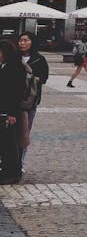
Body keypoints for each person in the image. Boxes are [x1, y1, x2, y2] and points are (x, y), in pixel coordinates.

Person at [17, 34, 48, 174]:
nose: (22, 43)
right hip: (12, 101)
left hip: (30, 102)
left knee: (24, 133)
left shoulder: (39, 59)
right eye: (20, 40)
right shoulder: (13, 57)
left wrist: (29, 79)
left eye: (25, 40)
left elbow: (43, 78)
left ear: (32, 42)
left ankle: (20, 162)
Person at [0, 39, 27, 184]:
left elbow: (15, 93)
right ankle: (6, 170)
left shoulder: (15, 68)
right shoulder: (5, 66)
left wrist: (11, 114)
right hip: (3, 111)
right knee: (4, 143)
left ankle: (13, 174)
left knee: (10, 144)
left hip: (10, 113)